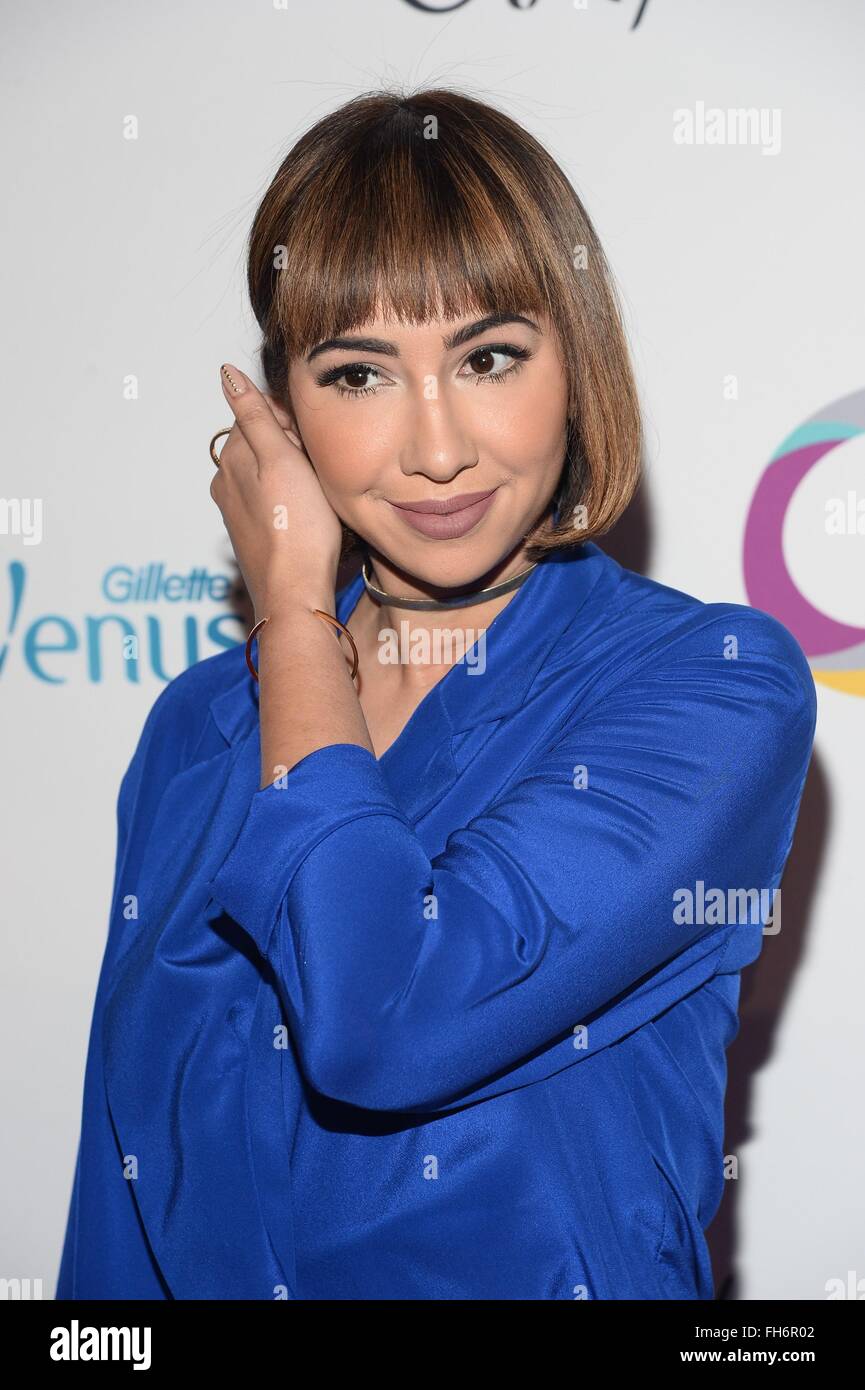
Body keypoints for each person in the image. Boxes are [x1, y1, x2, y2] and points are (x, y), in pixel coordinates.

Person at [56, 88, 816, 1301]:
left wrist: (297, 622)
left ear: (578, 364)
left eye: (489, 357)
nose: (438, 445)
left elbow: (382, 1020)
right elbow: (119, 1202)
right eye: (359, 374)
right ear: (283, 410)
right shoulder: (197, 729)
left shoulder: (710, 686)